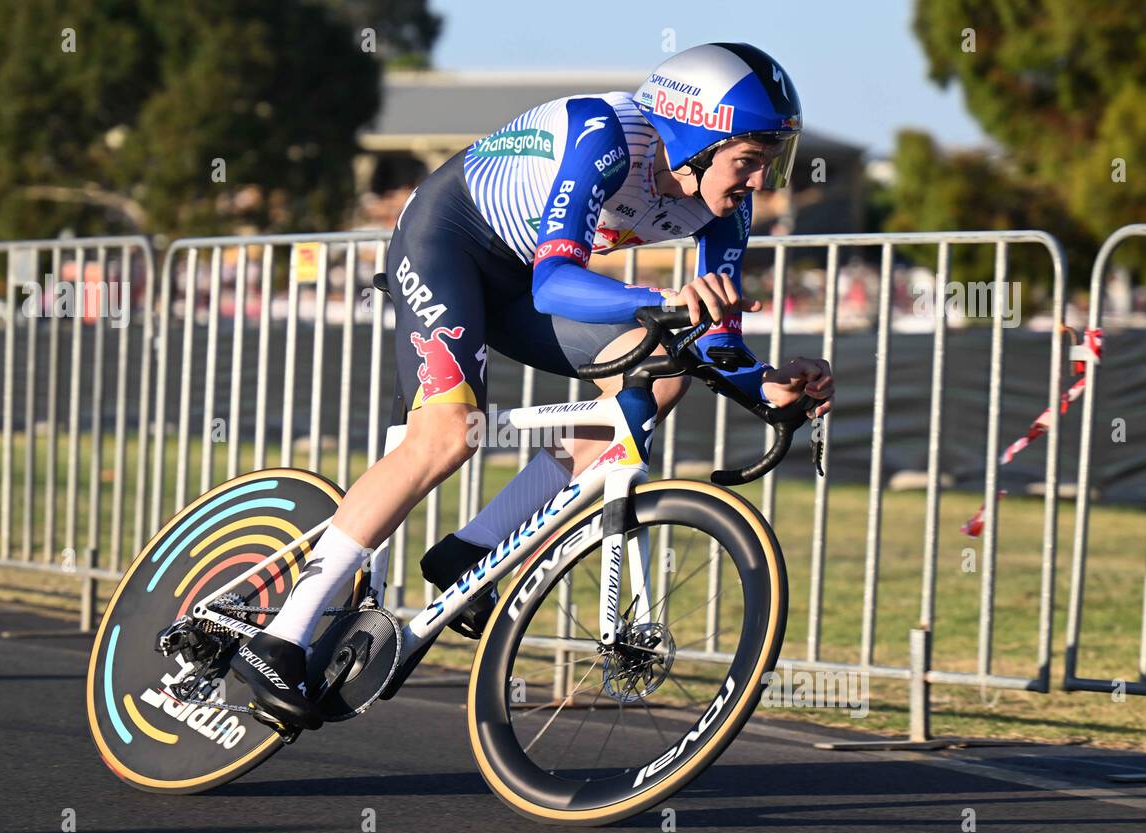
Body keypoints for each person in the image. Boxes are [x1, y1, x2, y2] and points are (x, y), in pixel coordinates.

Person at [231, 41, 835, 730]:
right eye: (750, 162)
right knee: (448, 435)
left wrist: (769, 389)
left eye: (770, 164)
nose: (761, 182)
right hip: (449, 245)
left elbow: (717, 342)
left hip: (520, 282)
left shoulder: (723, 207)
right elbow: (555, 285)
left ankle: (473, 548)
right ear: (696, 134)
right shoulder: (604, 135)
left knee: (662, 378)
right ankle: (279, 637)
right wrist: (665, 295)